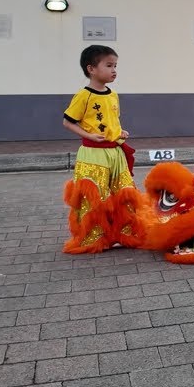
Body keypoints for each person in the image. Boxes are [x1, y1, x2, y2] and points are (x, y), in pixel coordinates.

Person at [61, 45, 143, 254]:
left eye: (115, 66)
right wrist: (88, 135)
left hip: (115, 152)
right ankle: (94, 237)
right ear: (91, 69)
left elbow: (111, 119)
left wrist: (119, 131)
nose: (114, 70)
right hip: (93, 153)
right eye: (109, 65)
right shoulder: (84, 96)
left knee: (123, 191)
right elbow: (68, 121)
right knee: (95, 196)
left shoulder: (113, 94)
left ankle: (123, 233)